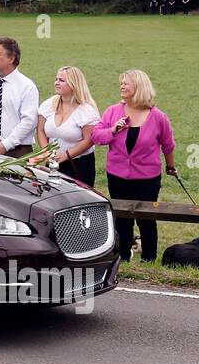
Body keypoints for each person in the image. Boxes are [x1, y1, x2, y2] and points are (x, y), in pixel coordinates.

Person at [92, 69, 177, 262]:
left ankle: (149, 258)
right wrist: (113, 130)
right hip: (117, 175)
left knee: (146, 219)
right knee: (122, 218)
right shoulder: (112, 111)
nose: (122, 86)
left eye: (126, 83)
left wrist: (170, 166)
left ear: (139, 86)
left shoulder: (158, 117)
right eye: (121, 83)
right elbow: (96, 136)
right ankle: (123, 256)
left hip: (147, 178)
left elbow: (168, 144)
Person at [36, 66, 101, 187]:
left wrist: (66, 155)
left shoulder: (86, 111)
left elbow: (89, 140)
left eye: (61, 80)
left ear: (74, 84)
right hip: (52, 163)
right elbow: (40, 130)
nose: (56, 82)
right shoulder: (49, 104)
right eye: (56, 79)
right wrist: (46, 152)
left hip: (78, 165)